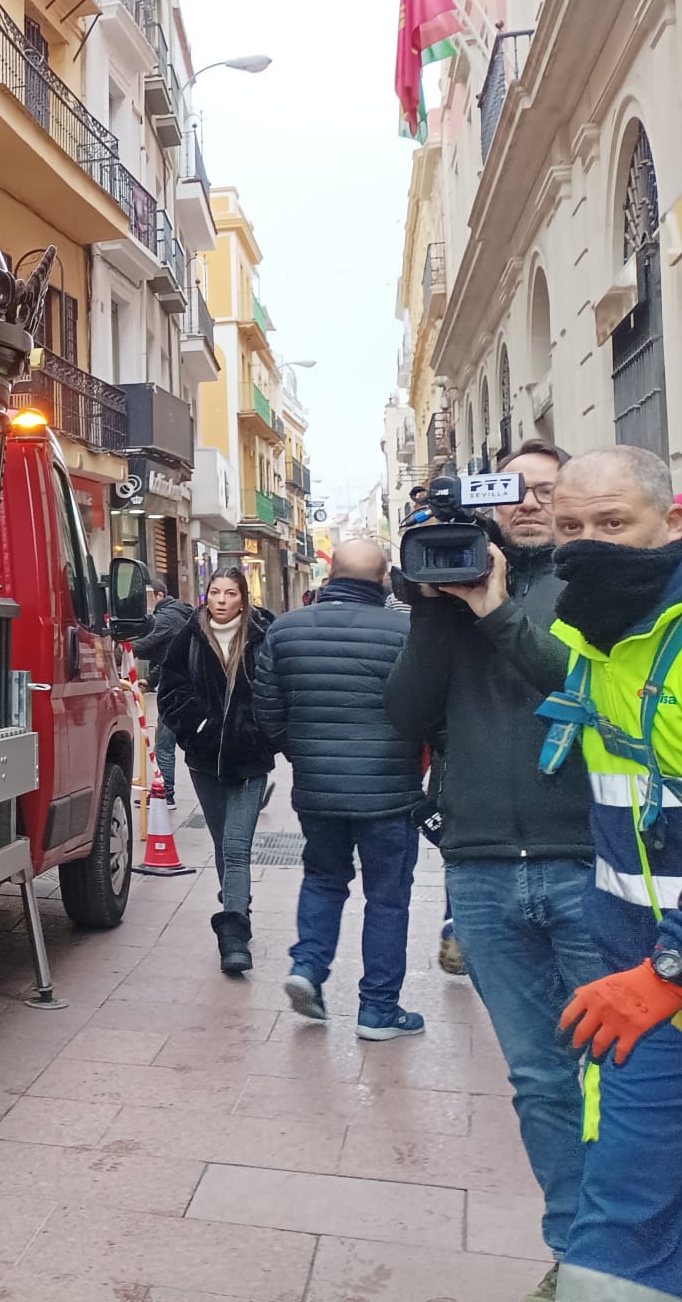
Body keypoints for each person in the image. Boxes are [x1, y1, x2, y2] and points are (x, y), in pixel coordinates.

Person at [383, 439, 598, 1298]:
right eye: (511, 492)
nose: (529, 504)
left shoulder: (595, 587)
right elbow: (405, 713)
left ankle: (642, 1243)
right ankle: (577, 1255)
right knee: (541, 1080)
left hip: (589, 860)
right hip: (479, 870)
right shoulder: (460, 589)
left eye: (546, 490)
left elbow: (578, 693)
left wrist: (498, 608)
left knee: (619, 1076)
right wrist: (441, 606)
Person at [531, 447, 682, 1302]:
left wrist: (678, 964)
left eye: (612, 525)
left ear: (671, 523)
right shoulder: (590, 641)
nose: (587, 545)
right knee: (613, 1254)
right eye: (570, 529)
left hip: (668, 980)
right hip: (651, 1004)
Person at [252, 541, 426, 1038]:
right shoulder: (406, 630)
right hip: (391, 791)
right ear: (385, 578)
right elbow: (427, 708)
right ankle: (378, 1011)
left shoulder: (285, 630)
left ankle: (307, 967)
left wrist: (301, 753)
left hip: (317, 788)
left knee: (325, 879)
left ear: (330, 573)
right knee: (387, 898)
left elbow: (267, 709)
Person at [156, 567, 276, 974]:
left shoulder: (264, 634)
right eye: (214, 592)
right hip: (204, 760)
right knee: (223, 841)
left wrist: (263, 732)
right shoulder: (188, 637)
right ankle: (238, 907)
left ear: (244, 597)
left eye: (229, 593)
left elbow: (280, 689)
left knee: (237, 847)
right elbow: (170, 689)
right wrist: (199, 726)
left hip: (249, 760)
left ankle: (233, 936)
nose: (221, 600)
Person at [132, 577, 194, 803]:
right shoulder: (180, 613)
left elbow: (140, 644)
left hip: (177, 692)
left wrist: (115, 647)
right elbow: (169, 657)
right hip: (188, 688)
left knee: (165, 745)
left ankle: (164, 794)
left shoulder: (165, 618)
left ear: (158, 595)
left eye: (147, 596)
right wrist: (149, 680)